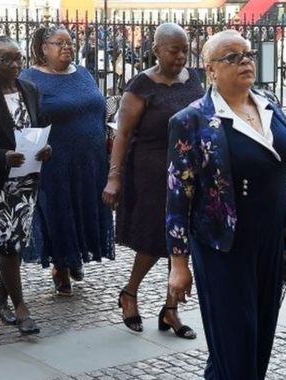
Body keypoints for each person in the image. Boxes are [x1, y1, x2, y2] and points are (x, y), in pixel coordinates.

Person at [167, 30, 286, 380]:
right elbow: (179, 196)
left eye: (247, 54)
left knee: (260, 338)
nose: (245, 61)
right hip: (221, 249)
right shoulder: (191, 120)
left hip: (271, 242)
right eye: (232, 57)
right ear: (210, 70)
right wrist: (179, 264)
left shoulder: (270, 106)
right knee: (236, 344)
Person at [102, 23, 203, 338]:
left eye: (184, 50)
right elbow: (123, 134)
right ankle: (130, 292)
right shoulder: (141, 85)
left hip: (189, 171)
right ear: (157, 50)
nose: (181, 57)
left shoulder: (194, 79)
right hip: (151, 172)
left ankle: (170, 309)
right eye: (174, 50)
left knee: (183, 240)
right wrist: (114, 178)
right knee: (154, 240)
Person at [20, 25, 114, 295]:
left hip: (90, 159)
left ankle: (76, 255)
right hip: (55, 160)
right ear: (42, 48)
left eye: (70, 42)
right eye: (59, 43)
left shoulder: (83, 73)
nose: (67, 47)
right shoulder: (30, 79)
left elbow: (98, 107)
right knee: (59, 210)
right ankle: (61, 264)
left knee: (84, 206)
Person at [0, 36, 51, 335]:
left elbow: (39, 126)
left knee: (16, 243)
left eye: (18, 58)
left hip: (28, 179)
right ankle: (20, 307)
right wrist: (1, 156)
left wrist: (45, 148)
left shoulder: (30, 90)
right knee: (7, 243)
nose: (14, 65)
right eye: (6, 59)